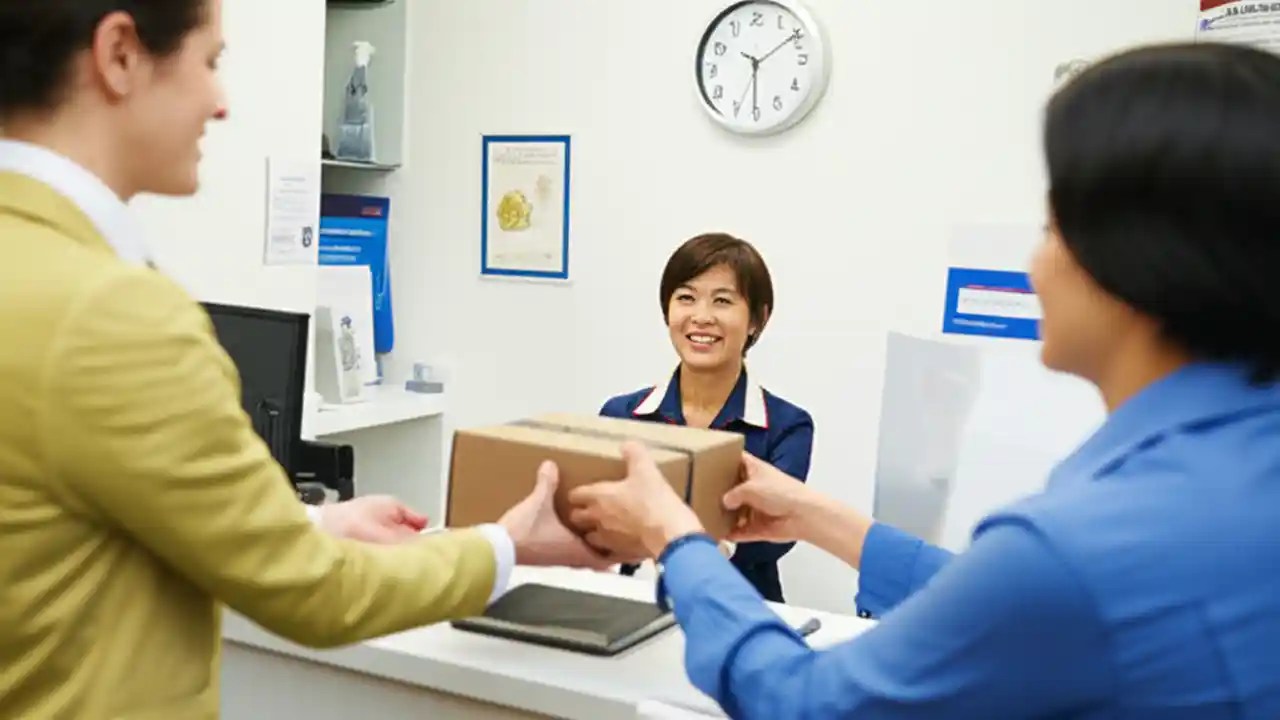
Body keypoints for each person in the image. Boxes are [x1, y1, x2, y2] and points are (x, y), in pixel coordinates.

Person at [570, 41, 1280, 718]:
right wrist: (825, 519)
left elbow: (806, 704)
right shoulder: (1238, 474)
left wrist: (676, 541)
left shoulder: (1076, 545)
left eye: (1053, 228)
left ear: (1138, 261)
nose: (1036, 265)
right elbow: (1006, 601)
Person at [0, 2, 605, 717]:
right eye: (211, 62)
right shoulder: (115, 315)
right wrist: (504, 545)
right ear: (120, 53)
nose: (220, 103)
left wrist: (310, 522)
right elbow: (317, 594)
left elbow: (69, 520)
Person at [599, 233, 813, 603]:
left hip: (740, 612)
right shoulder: (622, 415)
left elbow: (772, 538)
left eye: (723, 301)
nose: (701, 317)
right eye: (686, 298)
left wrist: (675, 542)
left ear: (756, 320)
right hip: (634, 608)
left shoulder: (786, 426)